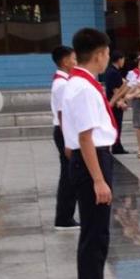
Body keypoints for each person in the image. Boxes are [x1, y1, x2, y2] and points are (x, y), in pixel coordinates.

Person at [60, 28, 129, 279]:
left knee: (94, 236)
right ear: (100, 54)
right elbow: (86, 137)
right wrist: (98, 179)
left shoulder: (77, 84)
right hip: (93, 162)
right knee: (95, 237)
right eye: (105, 54)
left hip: (89, 159)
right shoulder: (84, 88)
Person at [50, 46, 79, 230]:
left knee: (69, 175)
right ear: (65, 61)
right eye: (73, 59)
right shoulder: (61, 84)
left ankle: (65, 216)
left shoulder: (64, 81)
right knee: (68, 176)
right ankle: (64, 218)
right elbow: (62, 114)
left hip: (65, 131)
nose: (75, 62)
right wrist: (69, 140)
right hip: (63, 131)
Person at [102, 51, 128, 154]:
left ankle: (117, 145)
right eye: (123, 60)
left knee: (116, 124)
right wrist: (121, 102)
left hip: (113, 101)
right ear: (119, 60)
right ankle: (116, 146)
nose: (123, 62)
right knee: (116, 124)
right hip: (114, 103)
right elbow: (116, 90)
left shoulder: (111, 71)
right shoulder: (114, 72)